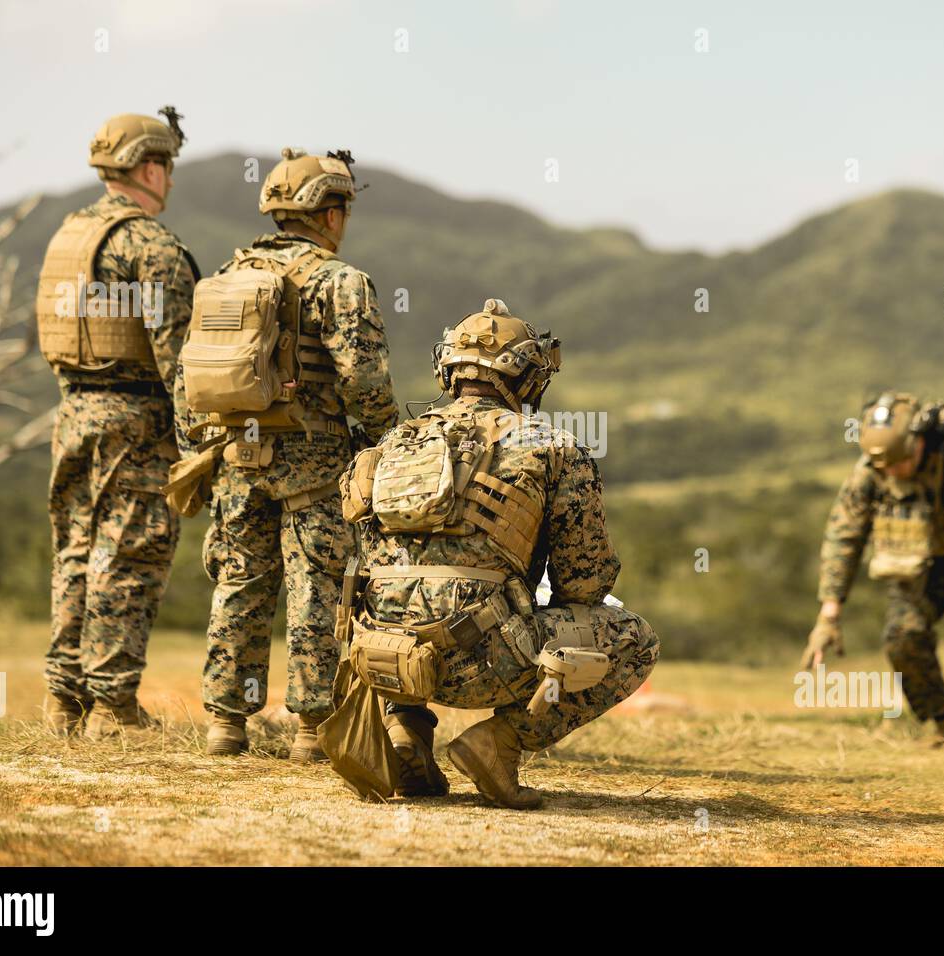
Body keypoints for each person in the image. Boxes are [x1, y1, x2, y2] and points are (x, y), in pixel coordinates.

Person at [334, 298, 659, 808]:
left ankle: (405, 735)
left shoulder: (393, 443)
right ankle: (499, 743)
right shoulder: (552, 447)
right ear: (528, 377)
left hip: (382, 657)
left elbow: (370, 564)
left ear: (448, 371)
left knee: (399, 594)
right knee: (632, 637)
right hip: (486, 663)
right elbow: (586, 583)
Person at [187, 148, 399, 761]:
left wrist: (201, 450)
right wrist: (386, 441)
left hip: (237, 457)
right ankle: (311, 731)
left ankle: (226, 723)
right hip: (314, 461)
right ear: (330, 213)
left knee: (240, 582)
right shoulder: (342, 282)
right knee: (316, 589)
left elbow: (188, 379)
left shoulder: (226, 278)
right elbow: (365, 381)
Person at [37, 108, 197, 738]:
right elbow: (178, 361)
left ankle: (63, 699)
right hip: (136, 419)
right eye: (168, 167)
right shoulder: (151, 246)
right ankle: (112, 707)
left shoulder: (67, 237)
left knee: (77, 547)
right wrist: (200, 442)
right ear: (148, 166)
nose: (172, 183)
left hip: (74, 409)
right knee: (128, 552)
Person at [802, 393, 944, 754]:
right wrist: (828, 616)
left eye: (901, 463)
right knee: (902, 638)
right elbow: (843, 538)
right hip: (932, 554)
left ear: (919, 443)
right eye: (885, 468)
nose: (893, 474)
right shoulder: (871, 472)